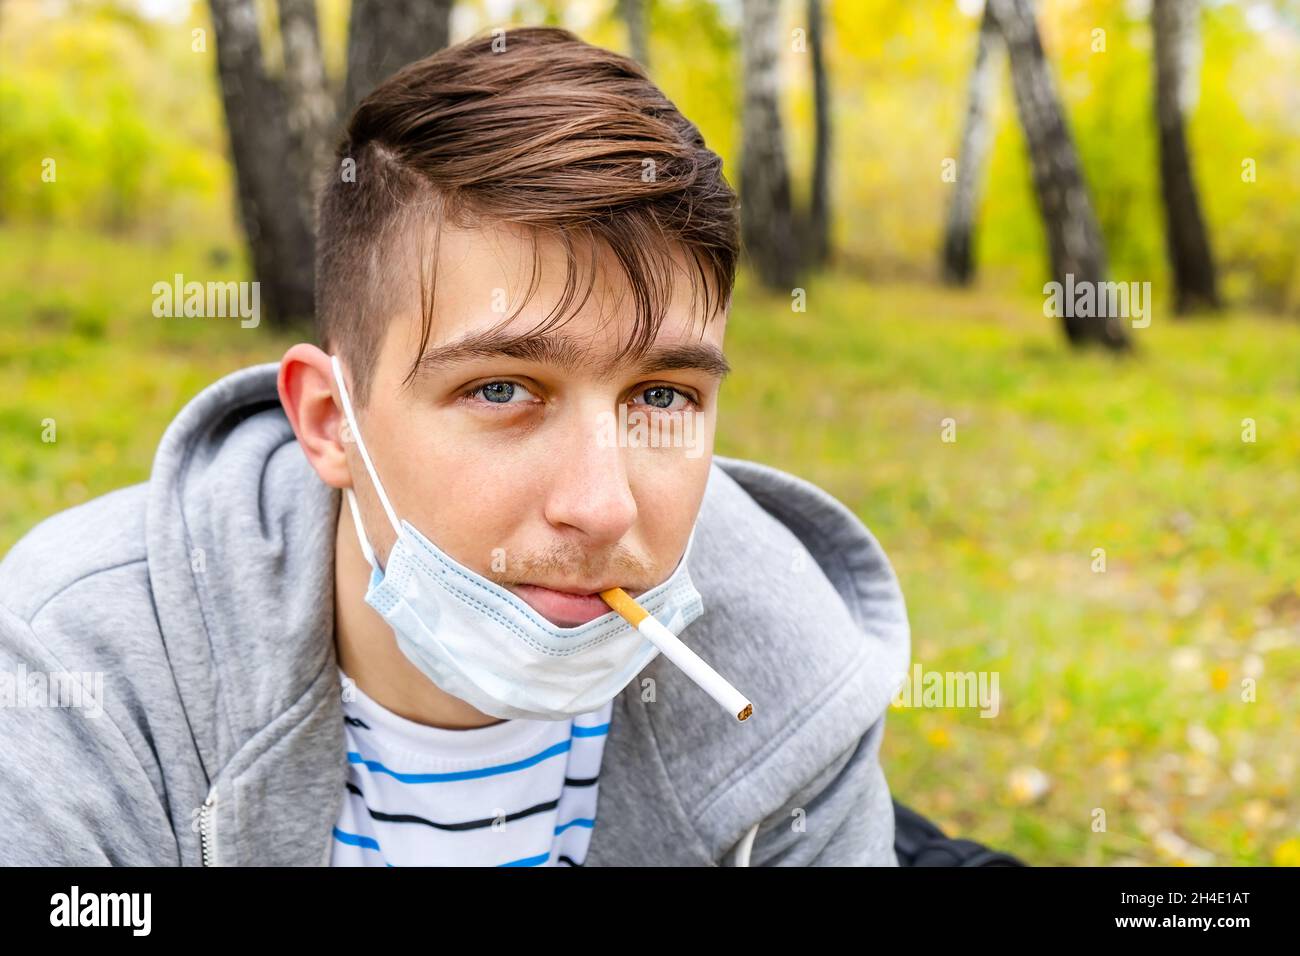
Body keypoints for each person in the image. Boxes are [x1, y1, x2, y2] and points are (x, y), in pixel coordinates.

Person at [0, 26, 910, 866]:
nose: (601, 507)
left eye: (662, 395)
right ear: (331, 422)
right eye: (504, 389)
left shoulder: (791, 683)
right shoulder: (82, 681)